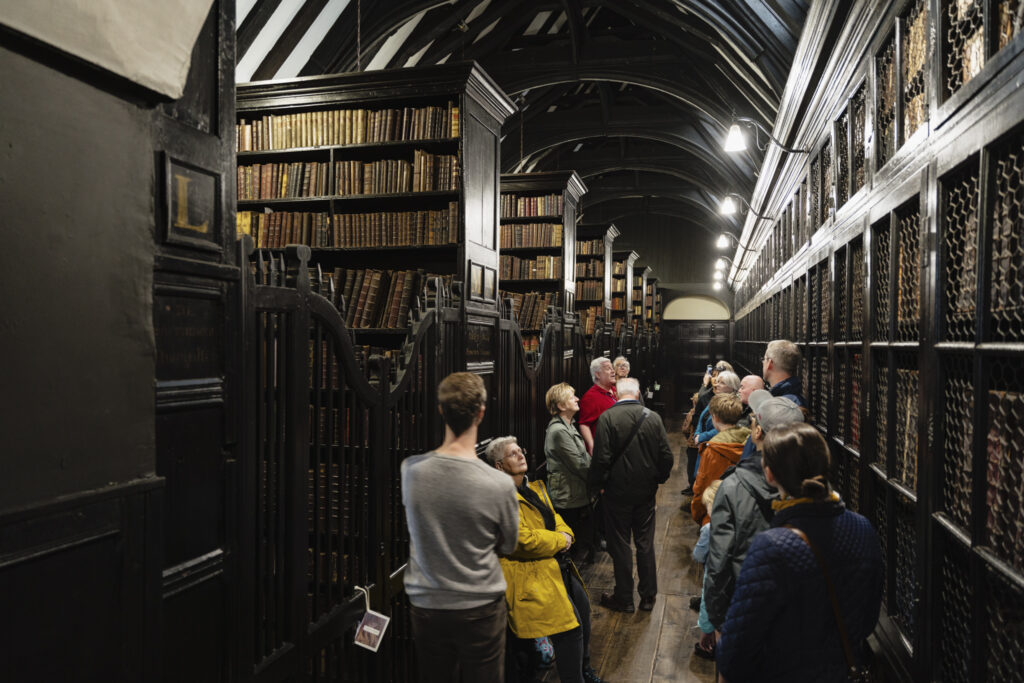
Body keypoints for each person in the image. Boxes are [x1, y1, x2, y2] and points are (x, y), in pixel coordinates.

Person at [717, 423, 883, 682]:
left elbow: (734, 654)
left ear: (769, 474)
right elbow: (869, 618)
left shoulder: (772, 548)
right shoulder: (864, 529)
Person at [402, 372, 520, 683]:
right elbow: (509, 545)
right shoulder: (498, 484)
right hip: (479, 604)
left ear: (441, 410)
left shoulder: (411, 471)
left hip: (427, 602)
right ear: (481, 413)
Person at [486, 437, 606, 683]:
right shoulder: (500, 497)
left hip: (555, 564)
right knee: (570, 631)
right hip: (530, 573)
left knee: (583, 613)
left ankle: (583, 669)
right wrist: (561, 541)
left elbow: (555, 517)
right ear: (499, 466)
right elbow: (522, 541)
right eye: (512, 454)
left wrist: (565, 535)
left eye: (521, 450)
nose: (521, 455)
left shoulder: (532, 488)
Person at [698, 391, 804, 659]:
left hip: (742, 603)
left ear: (757, 432)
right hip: (796, 612)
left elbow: (719, 559)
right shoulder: (814, 484)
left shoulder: (733, 486)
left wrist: (712, 620)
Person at [589, 378, 674, 613]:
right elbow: (666, 456)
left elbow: (601, 458)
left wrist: (598, 486)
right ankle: (648, 597)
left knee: (620, 544)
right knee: (645, 543)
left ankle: (624, 598)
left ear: (616, 394)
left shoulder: (607, 418)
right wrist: (658, 479)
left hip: (616, 492)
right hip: (645, 492)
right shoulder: (653, 418)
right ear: (637, 394)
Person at [543, 382, 595, 565]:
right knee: (569, 547)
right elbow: (579, 464)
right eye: (572, 396)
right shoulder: (559, 431)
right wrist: (600, 480)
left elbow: (584, 457)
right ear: (561, 405)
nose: (577, 398)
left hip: (576, 492)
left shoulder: (569, 425)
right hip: (567, 496)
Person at [690, 394, 749, 526]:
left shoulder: (712, 450)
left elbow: (702, 486)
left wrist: (697, 514)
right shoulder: (750, 440)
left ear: (715, 417)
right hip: (743, 512)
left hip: (715, 514)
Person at [578, 357, 617, 455]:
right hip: (605, 450)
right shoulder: (590, 397)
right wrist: (591, 444)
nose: (613, 371)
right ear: (598, 374)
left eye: (612, 368)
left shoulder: (616, 390)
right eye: (608, 368)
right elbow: (584, 424)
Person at [762, 339, 806, 406]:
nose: (763, 362)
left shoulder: (783, 406)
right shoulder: (792, 398)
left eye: (764, 359)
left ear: (769, 363)